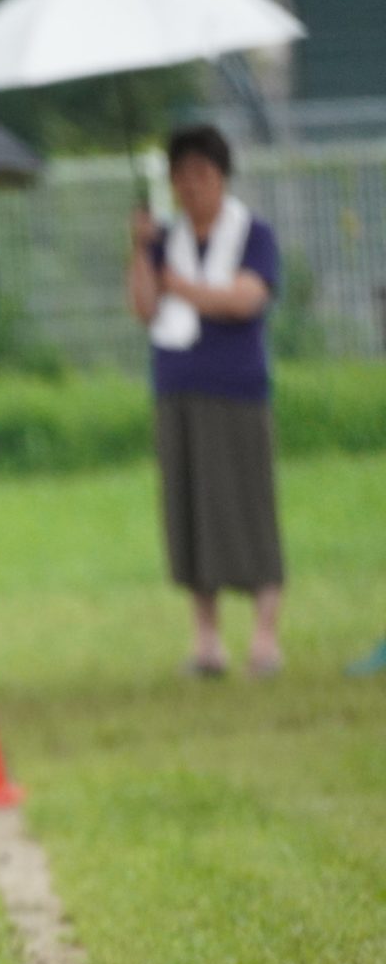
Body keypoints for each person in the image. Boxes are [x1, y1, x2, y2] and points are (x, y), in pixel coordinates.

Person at [127, 125, 284, 678]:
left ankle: (264, 638)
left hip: (238, 391)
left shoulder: (252, 233)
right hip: (177, 391)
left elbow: (247, 298)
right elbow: (145, 307)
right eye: (182, 176)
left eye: (202, 174)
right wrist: (141, 249)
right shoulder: (164, 241)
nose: (192, 186)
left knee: (249, 507)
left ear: (221, 177)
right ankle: (207, 640)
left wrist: (181, 285)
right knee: (190, 511)